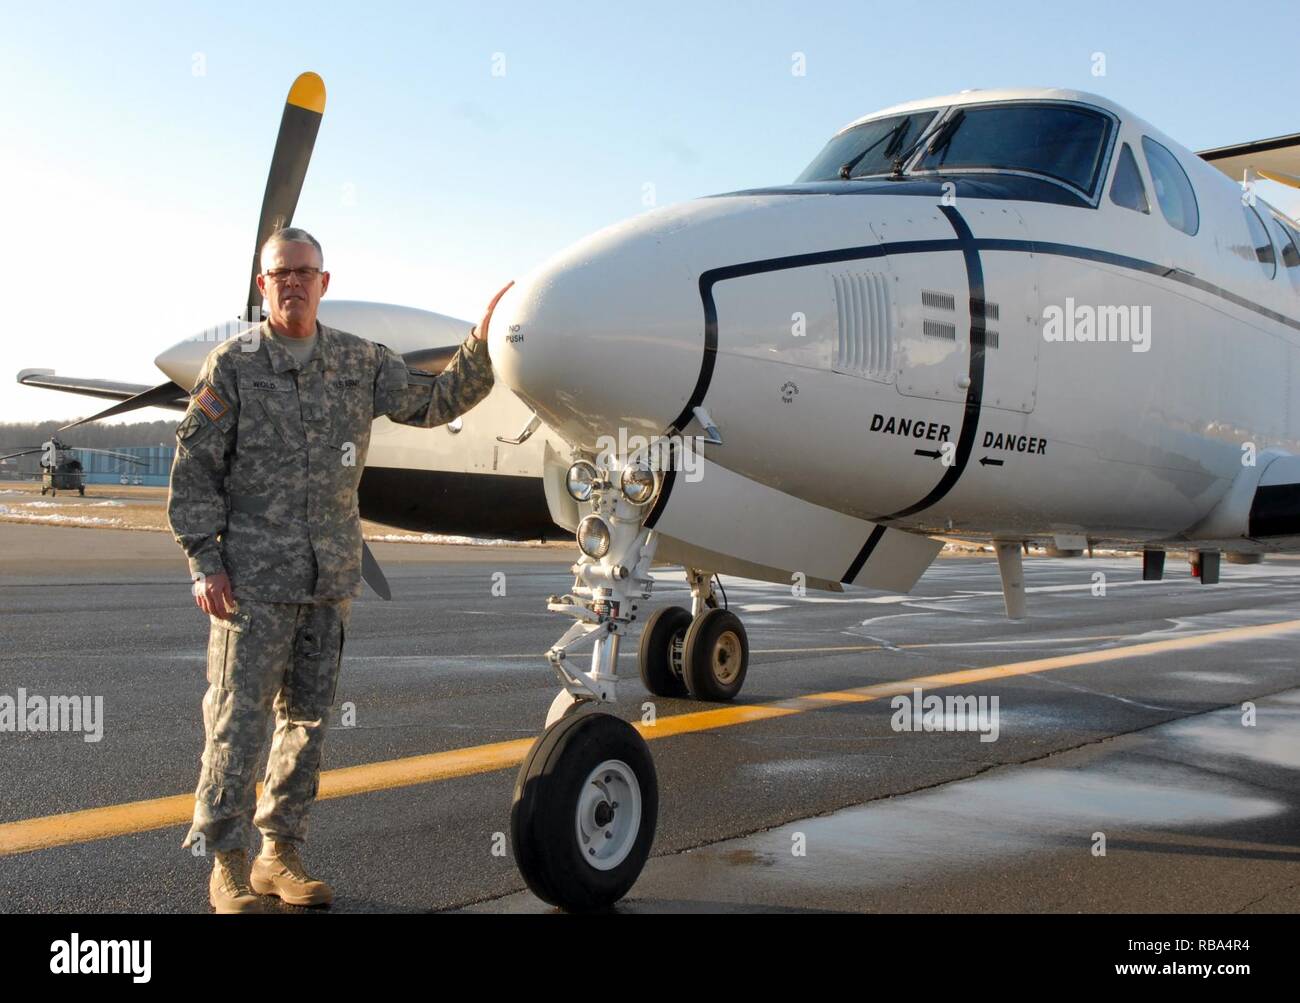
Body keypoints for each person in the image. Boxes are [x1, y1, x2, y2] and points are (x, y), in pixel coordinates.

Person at [168, 226, 511, 913]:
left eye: (304, 271)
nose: (292, 281)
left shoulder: (359, 361)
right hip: (251, 584)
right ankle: (227, 861)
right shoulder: (232, 366)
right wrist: (204, 561)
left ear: (325, 283)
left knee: (308, 722)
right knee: (237, 721)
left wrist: (485, 341)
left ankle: (280, 853)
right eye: (279, 273)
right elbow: (193, 473)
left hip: (328, 581)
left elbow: (434, 402)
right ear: (263, 285)